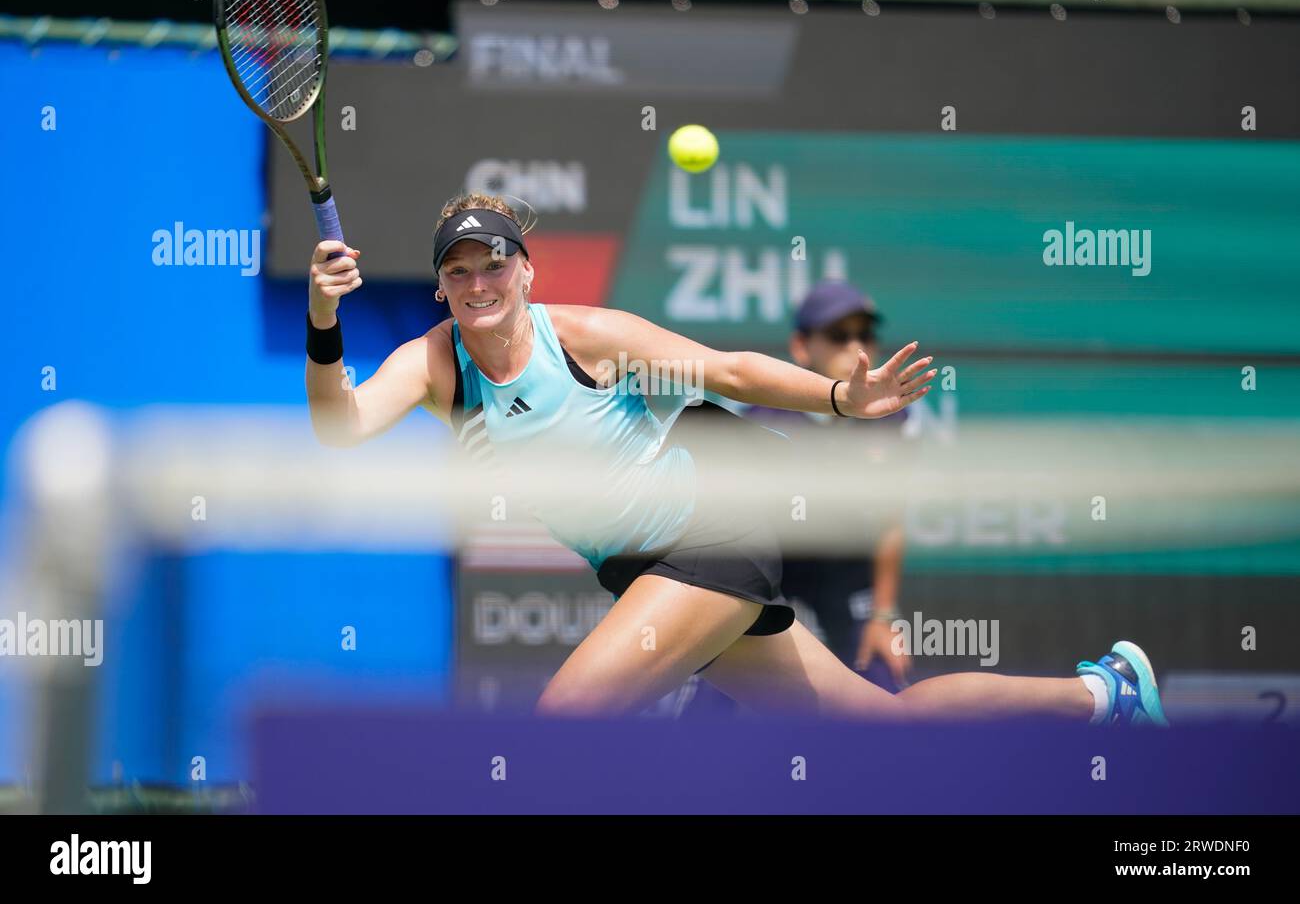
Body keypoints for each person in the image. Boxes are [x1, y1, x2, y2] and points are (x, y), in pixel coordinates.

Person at [303, 192, 1168, 727]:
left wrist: (840, 399)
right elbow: (340, 423)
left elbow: (726, 370)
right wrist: (323, 315)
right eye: (458, 273)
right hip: (645, 567)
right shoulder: (434, 362)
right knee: (879, 731)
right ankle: (1106, 694)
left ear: (525, 270)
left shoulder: (588, 338)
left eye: (492, 264)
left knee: (564, 721)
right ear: (442, 288)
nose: (477, 284)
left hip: (709, 532)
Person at [744, 280, 912, 692]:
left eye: (865, 335)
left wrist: (884, 617)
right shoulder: (760, 422)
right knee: (716, 704)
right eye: (838, 335)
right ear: (801, 347)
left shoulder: (891, 419)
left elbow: (891, 520)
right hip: (767, 578)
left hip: (846, 579)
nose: (855, 347)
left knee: (884, 686)